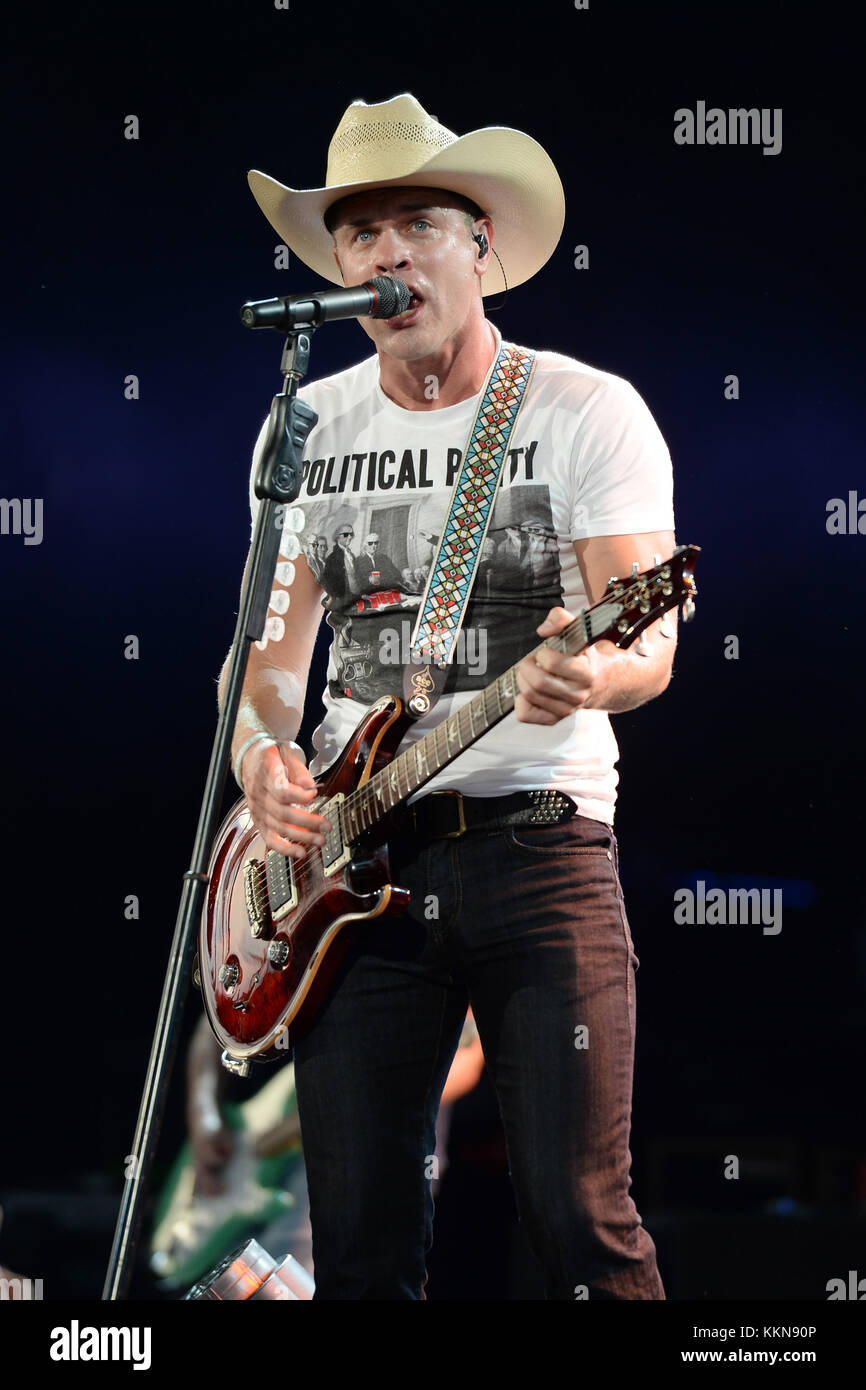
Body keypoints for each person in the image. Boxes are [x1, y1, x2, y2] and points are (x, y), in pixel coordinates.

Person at [218, 93, 678, 1299]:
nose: (386, 254)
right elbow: (262, 668)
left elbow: (652, 634)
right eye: (359, 233)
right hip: (349, 868)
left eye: (418, 223)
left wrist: (593, 670)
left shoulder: (583, 409)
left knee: (577, 1212)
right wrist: (263, 757)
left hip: (536, 842)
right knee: (360, 1236)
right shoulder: (306, 427)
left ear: (479, 246)